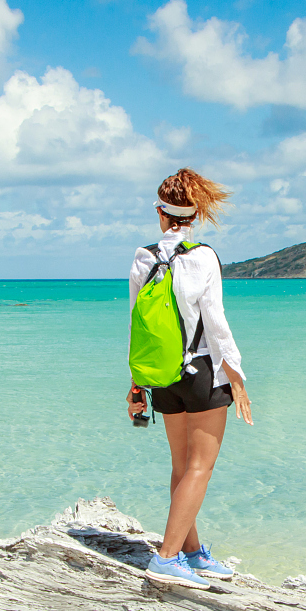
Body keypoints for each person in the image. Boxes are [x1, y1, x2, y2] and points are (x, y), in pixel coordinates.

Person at [128, 168, 253, 588]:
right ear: (195, 213)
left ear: (162, 214)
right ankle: (166, 557)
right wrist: (236, 375)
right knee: (200, 468)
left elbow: (138, 324)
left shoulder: (143, 257)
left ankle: (191, 552)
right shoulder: (203, 256)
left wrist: (136, 383)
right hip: (201, 372)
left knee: (182, 468)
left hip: (162, 375)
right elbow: (216, 323)